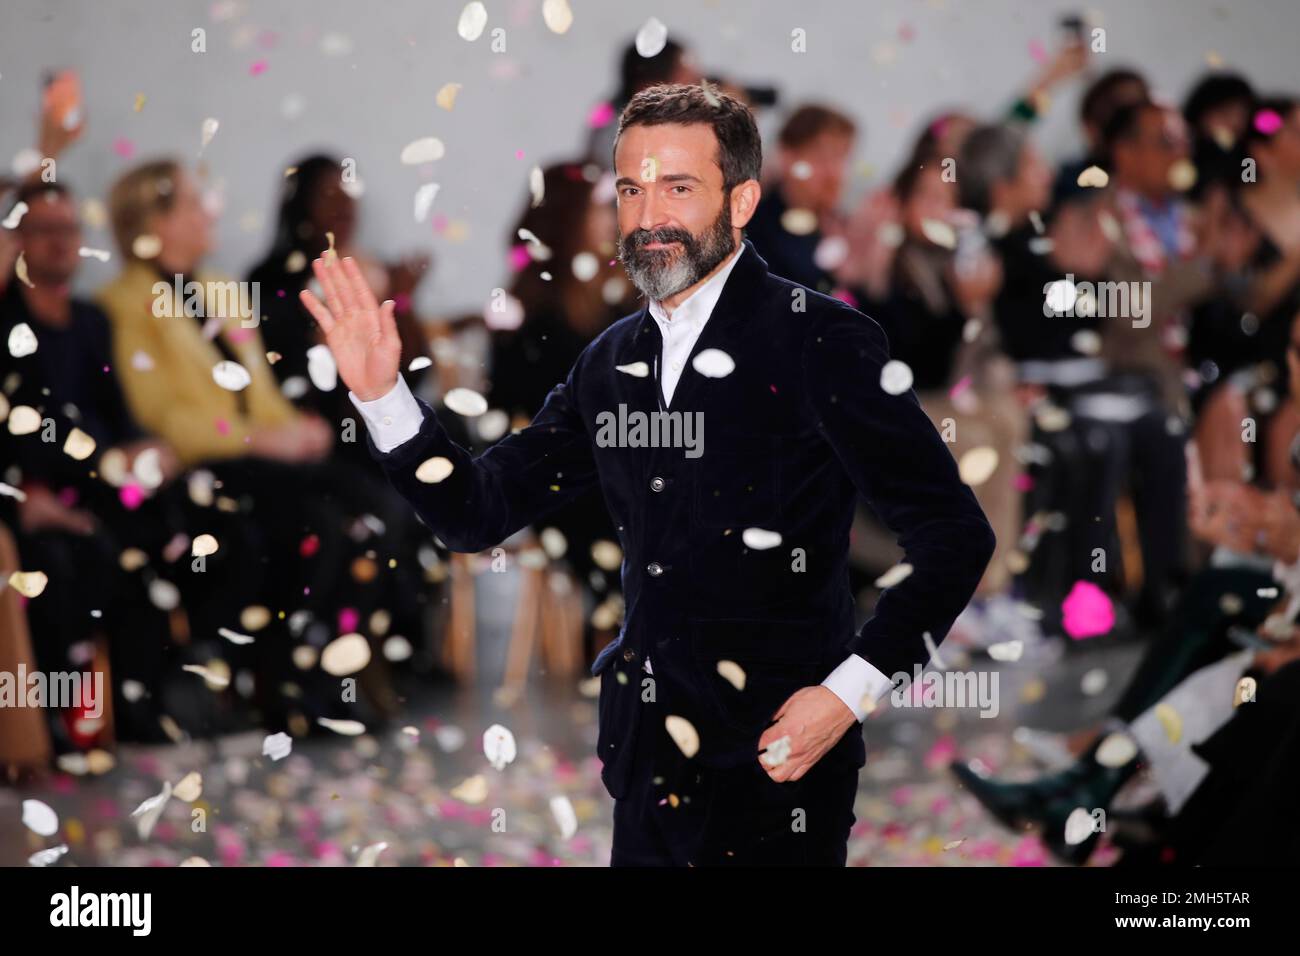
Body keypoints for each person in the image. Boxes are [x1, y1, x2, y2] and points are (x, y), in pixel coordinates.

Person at [302, 83, 996, 866]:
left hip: (780, 764)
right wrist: (382, 396)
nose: (647, 216)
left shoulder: (821, 341)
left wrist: (847, 694)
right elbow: (475, 511)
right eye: (631, 189)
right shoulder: (610, 362)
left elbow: (954, 535)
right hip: (646, 765)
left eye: (678, 187)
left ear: (742, 202)